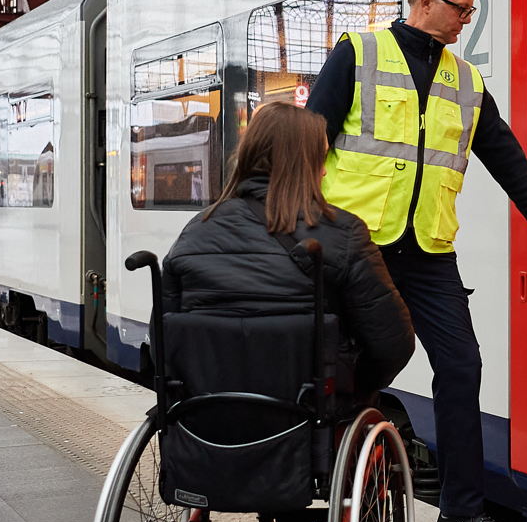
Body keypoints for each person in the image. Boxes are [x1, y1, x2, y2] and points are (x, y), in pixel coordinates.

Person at [308, 0, 527, 522]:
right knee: (340, 369)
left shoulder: (465, 82)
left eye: (471, 10)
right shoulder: (359, 54)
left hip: (427, 252)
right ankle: (328, 494)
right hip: (353, 245)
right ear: (426, 2)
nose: (467, 20)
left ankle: (460, 513)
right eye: (461, 9)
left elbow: (513, 167)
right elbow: (306, 141)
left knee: (461, 366)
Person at [161, 100, 414, 404]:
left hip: (208, 421)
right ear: (305, 163)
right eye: (322, 158)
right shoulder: (344, 233)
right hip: (309, 418)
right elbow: (393, 345)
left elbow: (163, 340)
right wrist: (348, 388)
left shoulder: (196, 231)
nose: (323, 172)